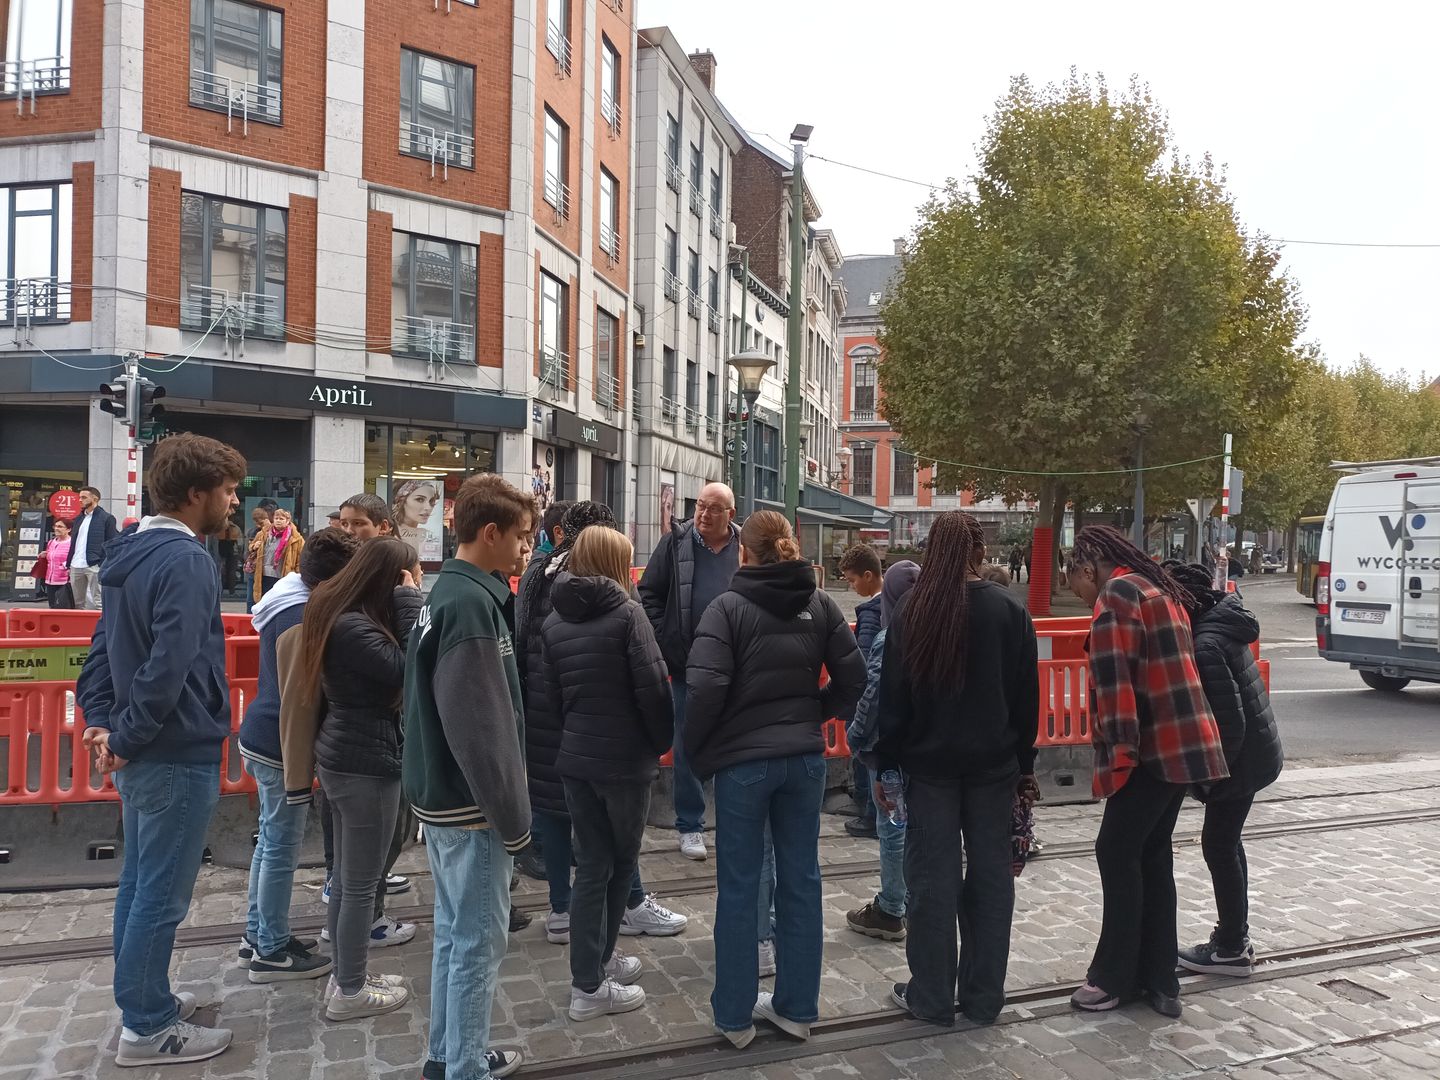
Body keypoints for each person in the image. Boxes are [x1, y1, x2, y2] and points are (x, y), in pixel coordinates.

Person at [76, 434, 247, 1066]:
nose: (234, 502)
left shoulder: (127, 555)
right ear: (197, 493)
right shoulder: (188, 561)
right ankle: (147, 1028)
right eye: (228, 491)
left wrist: (104, 724)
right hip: (175, 751)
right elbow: (170, 663)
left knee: (140, 883)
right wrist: (122, 734)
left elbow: (100, 654)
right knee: (162, 895)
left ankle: (146, 1002)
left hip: (143, 750)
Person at [685, 510, 866, 1047]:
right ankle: (796, 1008)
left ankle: (736, 1016)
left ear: (745, 553)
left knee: (740, 889)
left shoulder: (727, 609)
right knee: (802, 882)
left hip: (744, 765)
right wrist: (816, 713)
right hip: (805, 761)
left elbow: (703, 692)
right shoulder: (820, 602)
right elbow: (856, 676)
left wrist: (699, 753)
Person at [874, 512, 1040, 1027]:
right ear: (976, 550)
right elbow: (1026, 702)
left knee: (930, 883)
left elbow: (892, 701)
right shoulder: (1009, 612)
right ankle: (984, 998)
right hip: (994, 769)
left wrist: (884, 766)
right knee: (992, 883)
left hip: (930, 771)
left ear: (932, 551)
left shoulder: (913, 610)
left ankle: (931, 996)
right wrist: (1025, 768)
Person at [403, 473, 536, 1080]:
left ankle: (447, 1055)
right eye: (522, 537)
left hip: (443, 799)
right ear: (491, 533)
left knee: (455, 937)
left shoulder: (446, 592)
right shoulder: (473, 606)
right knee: (477, 945)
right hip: (472, 807)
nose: (526, 549)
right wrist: (514, 822)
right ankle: (464, 1068)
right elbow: (484, 729)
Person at [1065, 526, 1227, 1018]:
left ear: (1087, 568)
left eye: (1075, 584)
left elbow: (1116, 688)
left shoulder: (1117, 595)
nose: (1079, 595)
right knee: (1151, 855)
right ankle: (1159, 978)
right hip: (1183, 743)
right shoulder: (1157, 587)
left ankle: (1112, 978)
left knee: (1115, 851)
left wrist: (1119, 757)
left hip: (1150, 747)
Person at [518, 502, 688, 944]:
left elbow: (523, 643)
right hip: (601, 721)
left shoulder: (538, 574)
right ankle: (628, 906)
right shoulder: (611, 589)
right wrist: (657, 739)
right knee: (615, 834)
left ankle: (560, 910)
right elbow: (647, 677)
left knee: (553, 813)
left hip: (545, 707)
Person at [540, 527, 675, 1022]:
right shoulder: (627, 614)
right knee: (620, 864)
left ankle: (591, 970)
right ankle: (592, 982)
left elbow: (550, 698)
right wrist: (658, 744)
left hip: (576, 760)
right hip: (623, 761)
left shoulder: (555, 620)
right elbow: (654, 688)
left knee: (591, 865)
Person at [298, 537, 422, 1020]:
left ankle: (346, 975)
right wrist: (411, 605)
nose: (412, 585)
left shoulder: (345, 615)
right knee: (358, 885)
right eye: (407, 577)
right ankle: (350, 991)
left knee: (349, 880)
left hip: (350, 755)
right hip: (363, 763)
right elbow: (409, 669)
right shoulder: (354, 626)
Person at [237, 527, 358, 983]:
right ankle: (269, 949)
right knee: (281, 848)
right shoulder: (305, 616)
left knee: (269, 843)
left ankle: (259, 934)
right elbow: (305, 698)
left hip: (261, 732)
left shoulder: (283, 599)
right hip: (280, 744)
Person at [1165, 562, 1283, 978]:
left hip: (1238, 762)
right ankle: (1235, 938)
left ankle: (1231, 946)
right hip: (1253, 756)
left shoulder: (1204, 644)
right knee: (1227, 844)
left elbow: (1229, 726)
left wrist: (1211, 780)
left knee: (1219, 845)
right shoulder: (1222, 623)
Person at [638, 481, 741, 861]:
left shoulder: (744, 547)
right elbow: (648, 593)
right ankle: (690, 825)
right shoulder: (675, 542)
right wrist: (665, 638)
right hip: (685, 661)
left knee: (733, 743)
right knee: (686, 742)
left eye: (714, 508)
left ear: (730, 515)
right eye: (700, 505)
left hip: (735, 665)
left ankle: (731, 819)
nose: (704, 514)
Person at [843, 559, 920, 943]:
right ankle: (916, 900)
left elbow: (873, 696)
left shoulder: (889, 636)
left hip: (889, 752)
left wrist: (855, 736)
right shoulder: (934, 630)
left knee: (892, 828)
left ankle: (891, 908)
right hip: (926, 751)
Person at [838, 543, 885, 841]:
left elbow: (866, 661)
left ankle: (869, 814)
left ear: (868, 576)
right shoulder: (893, 604)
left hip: (867, 701)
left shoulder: (870, 613)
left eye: (853, 580)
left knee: (866, 756)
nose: (853, 586)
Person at [67, 485, 120, 610]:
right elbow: (74, 542)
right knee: (77, 603)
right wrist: (69, 562)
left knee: (99, 602)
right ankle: (80, 628)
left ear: (95, 499)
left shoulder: (106, 518)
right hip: (76, 564)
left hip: (94, 564)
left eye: (84, 497)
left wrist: (102, 562)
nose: (80, 500)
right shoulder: (79, 518)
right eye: (79, 497)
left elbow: (112, 542)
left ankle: (100, 629)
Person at [249, 507, 304, 603]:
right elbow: (251, 547)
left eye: (281, 519)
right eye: (276, 518)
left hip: (283, 576)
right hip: (263, 575)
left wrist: (296, 576)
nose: (278, 521)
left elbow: (301, 559)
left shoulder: (296, 539)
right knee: (263, 602)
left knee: (278, 602)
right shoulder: (263, 533)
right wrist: (254, 546)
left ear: (288, 521)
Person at [393, 478, 440, 552]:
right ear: (401, 501)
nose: (428, 507)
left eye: (431, 501)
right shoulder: (391, 536)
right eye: (420, 499)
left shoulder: (428, 536)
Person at [243, 506, 271, 612]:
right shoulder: (257, 532)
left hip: (257, 566)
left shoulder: (255, 531)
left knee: (252, 596)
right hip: (257, 566)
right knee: (254, 596)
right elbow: (250, 548)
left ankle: (250, 615)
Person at [42, 519, 75, 608]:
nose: (56, 528)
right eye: (55, 526)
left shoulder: (72, 543)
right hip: (50, 580)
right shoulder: (51, 542)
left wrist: (66, 566)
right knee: (52, 606)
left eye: (60, 526)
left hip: (64, 581)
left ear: (68, 529)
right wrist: (45, 555)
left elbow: (75, 558)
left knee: (64, 606)